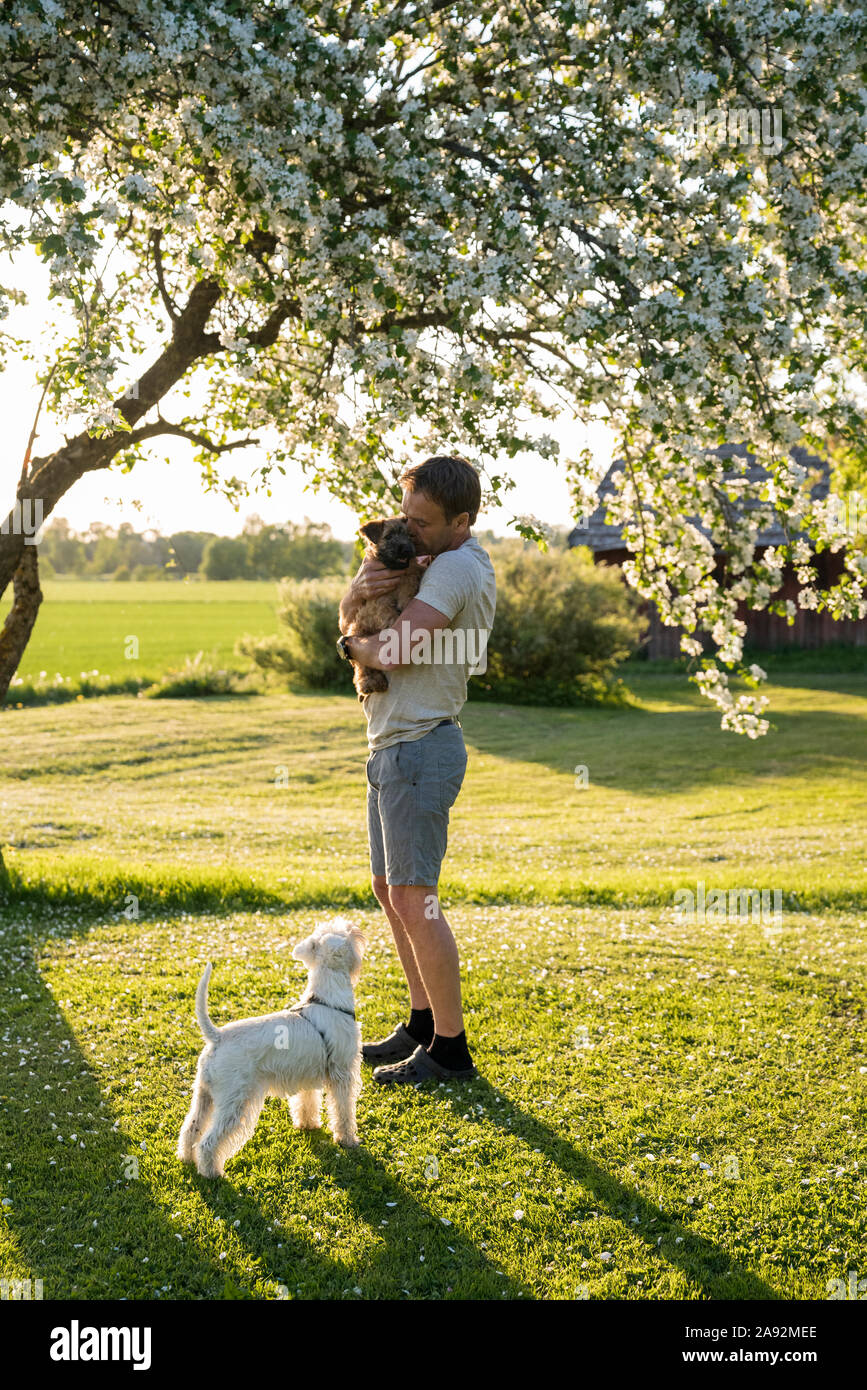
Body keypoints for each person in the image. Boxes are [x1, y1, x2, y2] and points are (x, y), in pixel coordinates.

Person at [336, 455, 496, 1084]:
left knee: (415, 897)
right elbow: (354, 611)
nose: (412, 532)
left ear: (462, 521)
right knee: (390, 890)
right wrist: (356, 599)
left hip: (421, 745)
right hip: (391, 745)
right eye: (406, 517)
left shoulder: (456, 566)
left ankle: (450, 1051)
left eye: (425, 523)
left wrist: (352, 646)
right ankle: (422, 1022)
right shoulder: (414, 557)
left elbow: (397, 652)